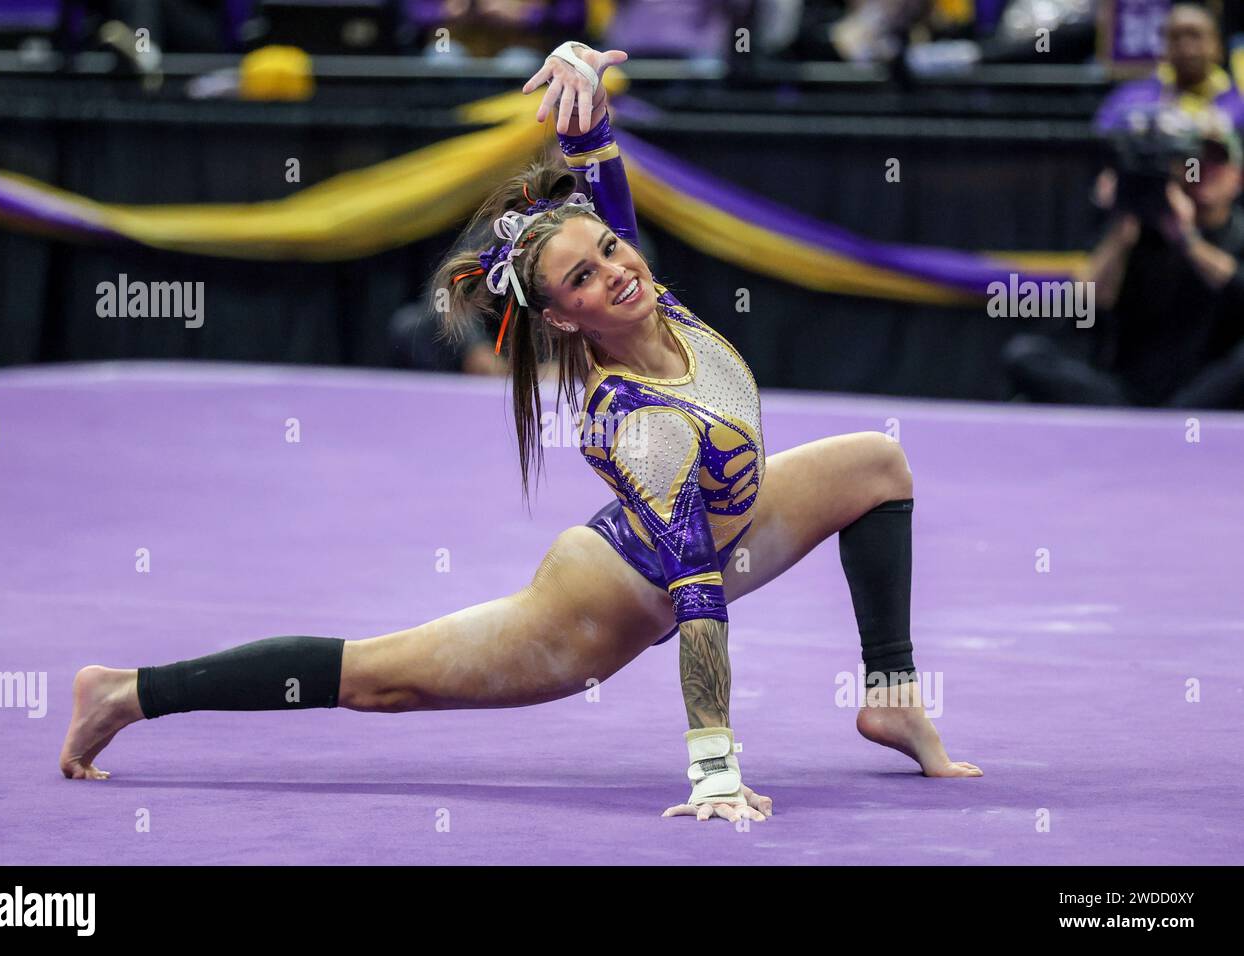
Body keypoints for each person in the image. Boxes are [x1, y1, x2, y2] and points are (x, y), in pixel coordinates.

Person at [59, 40, 981, 821]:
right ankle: (128, 690)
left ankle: (891, 701)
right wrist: (715, 771)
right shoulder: (636, 422)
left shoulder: (647, 295)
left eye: (611, 249)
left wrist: (582, 105)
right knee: (380, 679)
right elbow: (697, 599)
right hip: (609, 601)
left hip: (727, 519)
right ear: (567, 322)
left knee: (875, 462)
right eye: (582, 280)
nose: (614, 271)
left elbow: (602, 185)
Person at [1004, 112, 1244, 408]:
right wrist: (1123, 228)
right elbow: (1084, 306)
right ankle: (1143, 423)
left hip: (1205, 394)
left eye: (1216, 162)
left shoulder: (1236, 235)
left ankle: (1174, 417)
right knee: (1025, 354)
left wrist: (1186, 239)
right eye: (1197, 161)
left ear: (1238, 177)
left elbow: (1236, 289)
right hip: (1127, 395)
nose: (1204, 171)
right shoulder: (1140, 227)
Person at [1095, 3, 1244, 135]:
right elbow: (1102, 131)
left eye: (1195, 36)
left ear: (1217, 46)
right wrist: (1146, 120)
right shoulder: (1131, 97)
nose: (1186, 48)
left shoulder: (1237, 100)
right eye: (1175, 37)